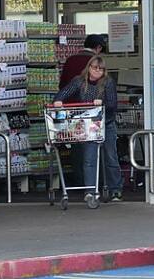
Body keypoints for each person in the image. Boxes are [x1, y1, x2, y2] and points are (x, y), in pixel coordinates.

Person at [53, 55, 123, 203]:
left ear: (104, 71)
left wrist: (102, 102)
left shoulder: (108, 82)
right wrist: (59, 101)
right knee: (89, 158)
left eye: (100, 69)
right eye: (94, 67)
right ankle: (90, 190)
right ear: (89, 67)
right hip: (88, 125)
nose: (97, 71)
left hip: (106, 123)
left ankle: (115, 189)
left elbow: (112, 104)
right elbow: (63, 93)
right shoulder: (79, 81)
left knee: (111, 156)